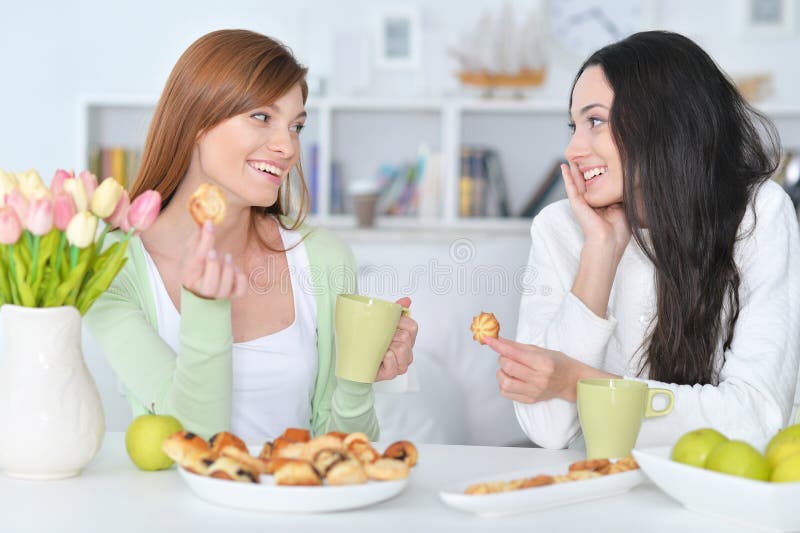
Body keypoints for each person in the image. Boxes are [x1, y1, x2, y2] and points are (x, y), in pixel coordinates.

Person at [85, 29, 418, 441]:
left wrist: (358, 377)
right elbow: (193, 440)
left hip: (299, 502)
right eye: (262, 117)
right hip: (171, 506)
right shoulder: (111, 268)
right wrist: (206, 306)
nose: (288, 147)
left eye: (296, 126)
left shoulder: (322, 258)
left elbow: (347, 452)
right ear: (195, 122)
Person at [484, 31, 800, 449]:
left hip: (716, 492)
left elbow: (755, 416)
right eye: (573, 125)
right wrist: (601, 251)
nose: (574, 148)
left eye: (595, 121)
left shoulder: (759, 212)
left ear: (663, 122)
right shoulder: (560, 227)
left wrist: (577, 383)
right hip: (597, 489)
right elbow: (549, 430)